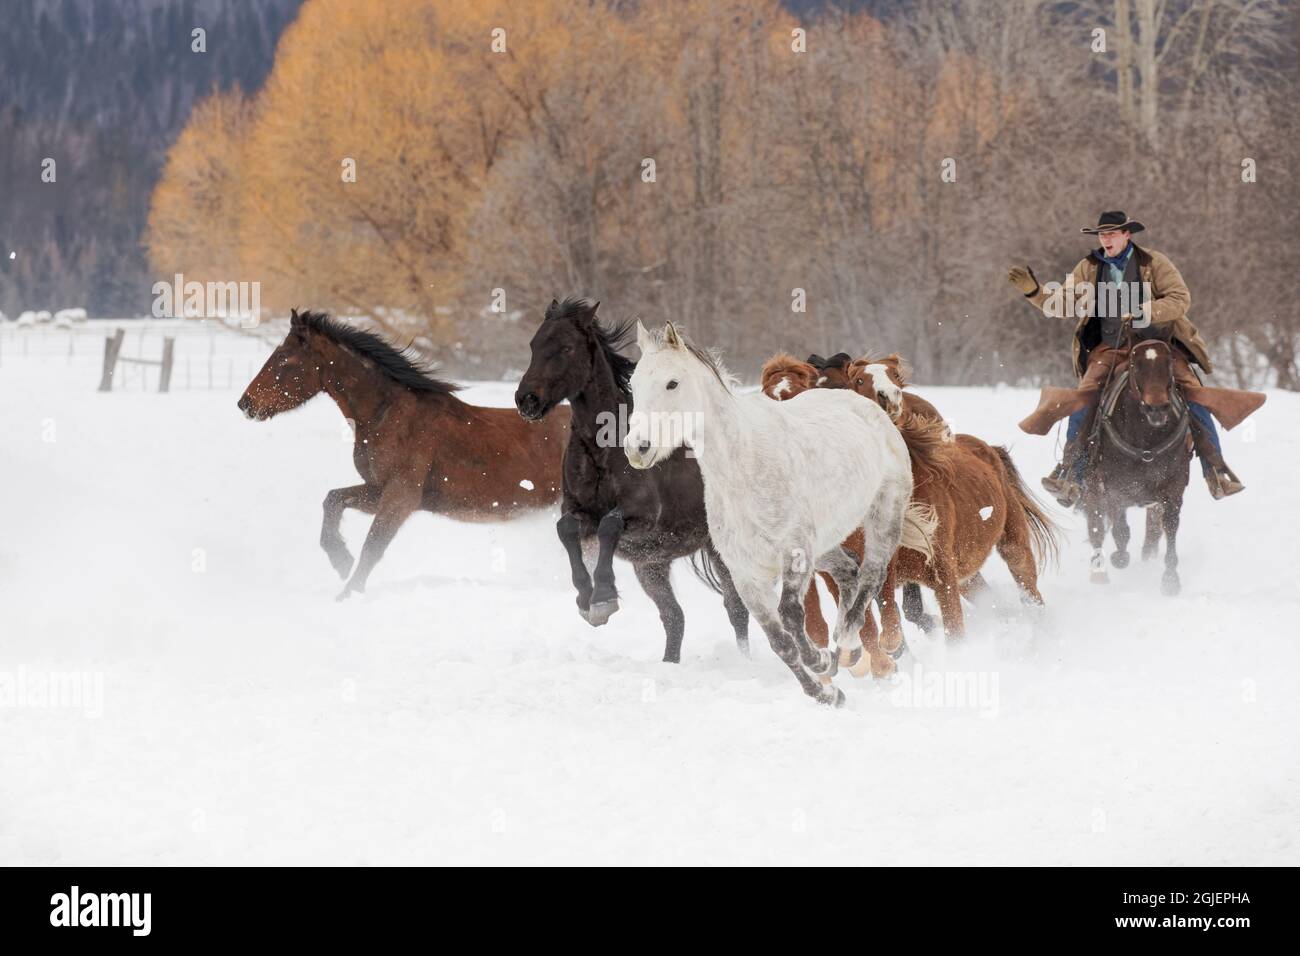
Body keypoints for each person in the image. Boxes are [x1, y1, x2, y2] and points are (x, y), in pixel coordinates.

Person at [1010, 210, 1264, 505]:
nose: (1106, 239)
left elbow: (1180, 299)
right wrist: (1034, 293)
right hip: (1110, 347)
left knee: (1194, 394)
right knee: (1083, 397)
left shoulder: (1154, 262)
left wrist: (1146, 311)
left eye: (1112, 234)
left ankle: (1216, 471)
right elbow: (1063, 304)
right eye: (1102, 234)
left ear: (1127, 235)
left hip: (1157, 345)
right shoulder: (1089, 267)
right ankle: (1071, 474)